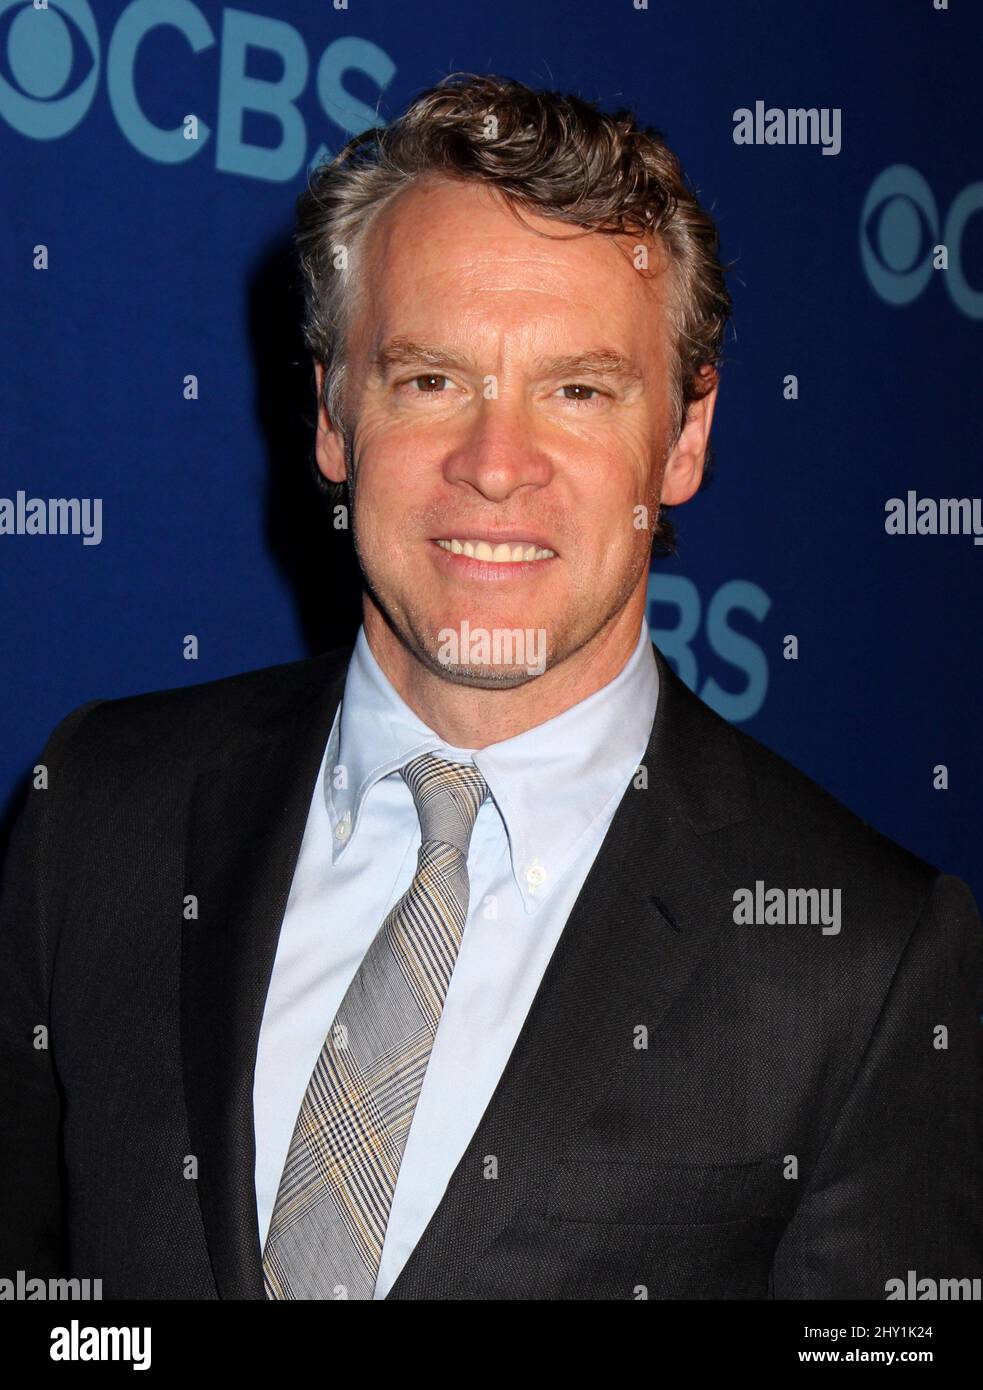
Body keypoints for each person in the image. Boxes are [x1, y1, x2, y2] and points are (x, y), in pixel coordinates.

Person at [1, 73, 980, 1302]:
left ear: (681, 437)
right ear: (330, 416)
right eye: (429, 380)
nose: (495, 465)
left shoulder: (862, 958)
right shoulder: (96, 812)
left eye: (576, 390)